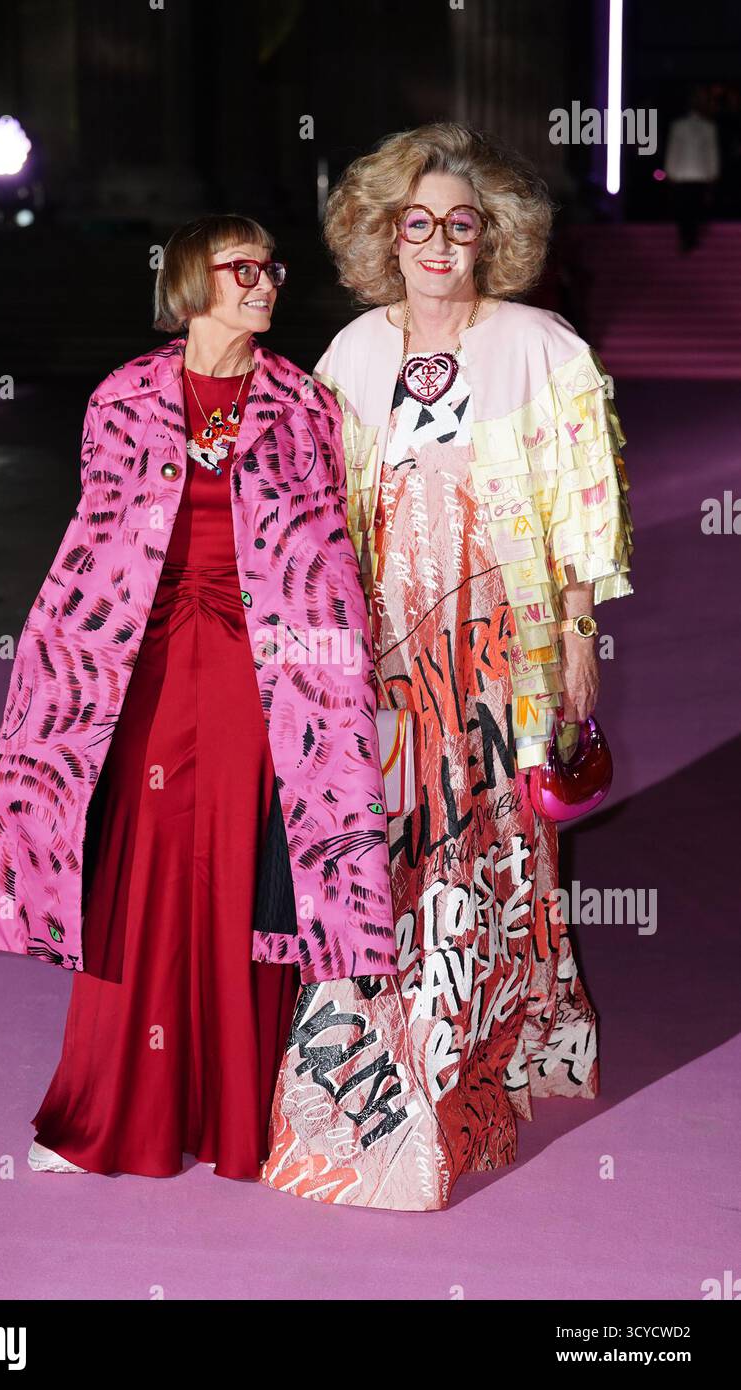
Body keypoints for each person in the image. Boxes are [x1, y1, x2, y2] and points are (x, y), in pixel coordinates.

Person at [0, 214, 397, 1182]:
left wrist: (340, 671)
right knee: (138, 866)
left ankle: (240, 1114)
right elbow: (93, 543)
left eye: (272, 269)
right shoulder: (121, 396)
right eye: (244, 269)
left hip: (263, 667)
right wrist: (59, 664)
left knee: (240, 864)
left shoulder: (301, 403)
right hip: (139, 663)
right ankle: (115, 1107)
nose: (266, 284)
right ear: (193, 282)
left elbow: (326, 553)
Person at [259, 123, 633, 1211]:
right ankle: (389, 1054)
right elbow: (308, 515)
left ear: (489, 237)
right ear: (383, 235)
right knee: (388, 834)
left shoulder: (539, 343)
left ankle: (493, 1037)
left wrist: (574, 639)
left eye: (456, 225)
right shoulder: (351, 355)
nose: (434, 242)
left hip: (497, 646)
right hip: (381, 652)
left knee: (495, 835)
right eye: (413, 224)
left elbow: (580, 505)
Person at [665, 86, 721, 252]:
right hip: (698, 174)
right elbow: (711, 152)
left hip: (685, 174)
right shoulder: (706, 127)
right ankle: (689, 237)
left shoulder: (682, 126)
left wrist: (670, 171)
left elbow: (673, 150)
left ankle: (688, 238)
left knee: (686, 208)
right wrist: (713, 173)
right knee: (692, 207)